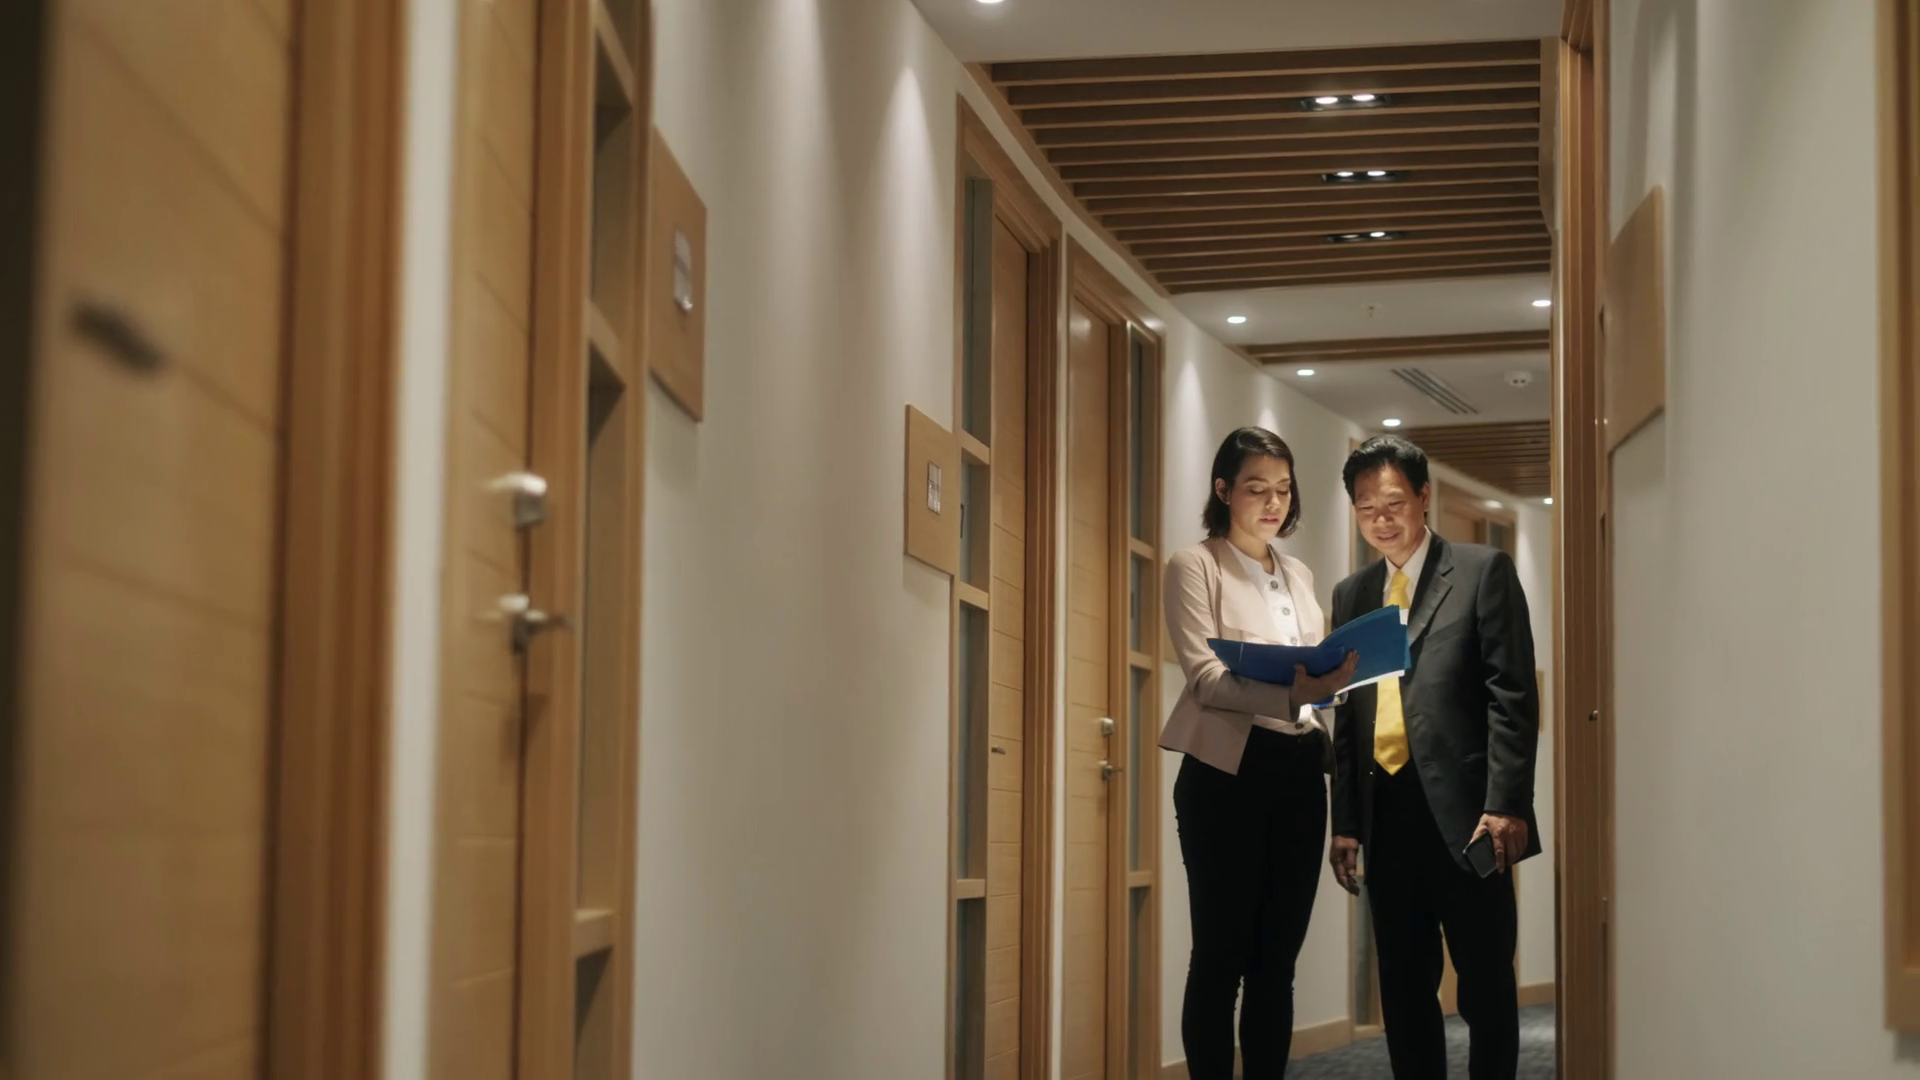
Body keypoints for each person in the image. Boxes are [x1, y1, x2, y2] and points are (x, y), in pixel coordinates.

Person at [1326, 435, 1540, 1080]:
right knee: (1403, 985)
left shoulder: (1481, 570)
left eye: (1393, 503)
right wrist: (1346, 822)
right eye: (1366, 508)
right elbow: (1348, 715)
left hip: (1470, 815)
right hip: (1387, 812)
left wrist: (1506, 804)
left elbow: (1512, 696)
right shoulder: (1352, 594)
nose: (1381, 519)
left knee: (1485, 982)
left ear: (1424, 497)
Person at [1160, 427, 1358, 1080]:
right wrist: (1295, 690)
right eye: (1256, 489)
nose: (1274, 503)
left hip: (1299, 770)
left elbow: (1312, 675)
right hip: (1226, 774)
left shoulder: (1298, 574)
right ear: (1223, 490)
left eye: (1283, 489)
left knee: (1277, 961)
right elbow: (1206, 679)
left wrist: (1334, 683)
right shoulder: (1195, 565)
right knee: (1221, 956)